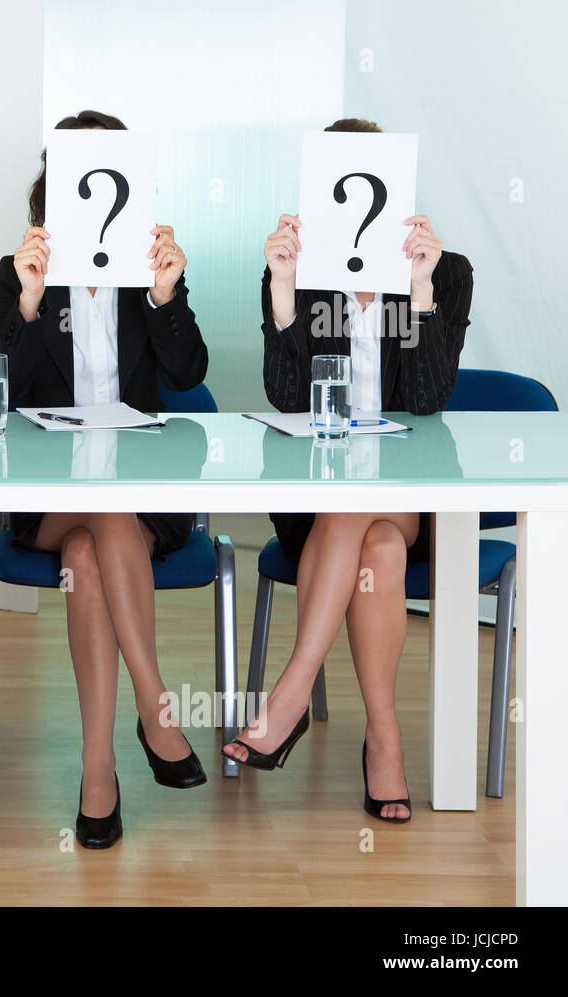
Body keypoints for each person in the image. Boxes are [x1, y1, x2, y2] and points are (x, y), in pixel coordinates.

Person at [222, 118, 474, 824]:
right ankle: (384, 738)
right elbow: (282, 395)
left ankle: (291, 695)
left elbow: (426, 401)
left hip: (403, 491)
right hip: (320, 499)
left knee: (380, 524)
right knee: (380, 548)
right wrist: (281, 289)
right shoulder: (300, 273)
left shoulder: (447, 273)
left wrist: (419, 292)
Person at [0, 109, 211, 849]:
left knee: (90, 549)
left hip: (137, 495)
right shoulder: (20, 274)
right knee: (93, 518)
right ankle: (156, 705)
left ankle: (98, 767)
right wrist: (23, 301)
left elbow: (188, 374)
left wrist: (164, 295)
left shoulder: (145, 271)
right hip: (46, 494)